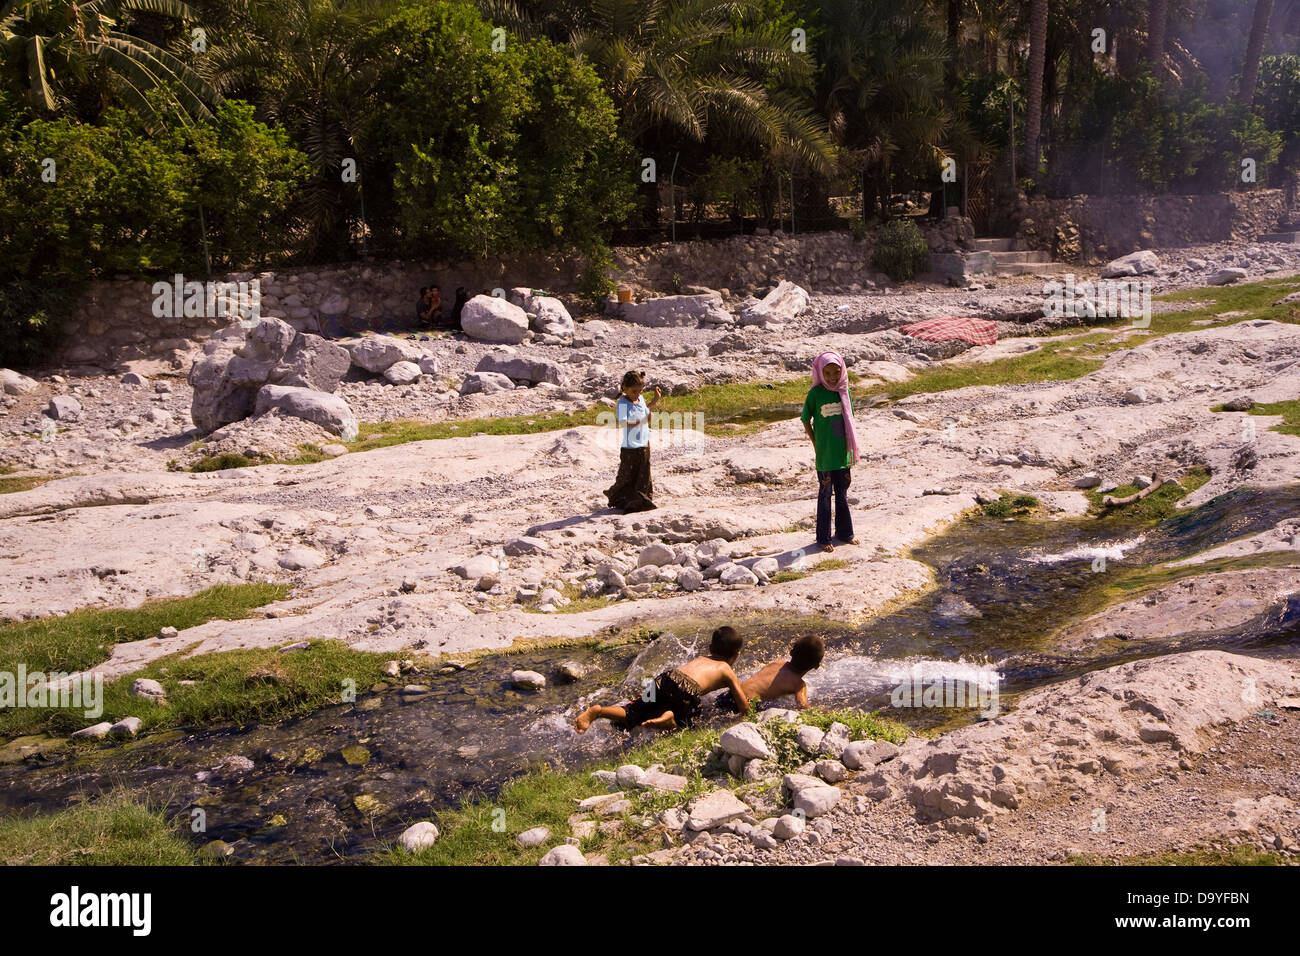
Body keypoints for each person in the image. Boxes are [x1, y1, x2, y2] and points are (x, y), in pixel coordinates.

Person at [574, 627, 749, 733]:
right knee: (690, 725)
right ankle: (670, 720)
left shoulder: (702, 658)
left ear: (710, 648)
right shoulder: (726, 669)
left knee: (632, 710)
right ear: (736, 655)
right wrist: (748, 714)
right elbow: (743, 705)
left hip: (665, 678)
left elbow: (676, 683)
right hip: (688, 689)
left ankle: (599, 711)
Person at [801, 350, 861, 552]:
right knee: (825, 494)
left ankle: (845, 534)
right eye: (827, 373)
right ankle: (823, 537)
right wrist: (815, 442)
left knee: (842, 494)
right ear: (820, 373)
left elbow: (849, 419)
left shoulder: (844, 392)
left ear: (842, 370)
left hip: (842, 454)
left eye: (836, 372)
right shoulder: (815, 394)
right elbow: (804, 419)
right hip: (825, 455)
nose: (832, 377)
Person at [718, 635, 824, 712]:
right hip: (748, 703)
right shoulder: (799, 684)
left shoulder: (777, 663)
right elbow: (802, 705)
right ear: (816, 666)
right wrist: (821, 711)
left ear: (791, 652)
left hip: (731, 693)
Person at [604, 370, 661, 513]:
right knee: (627, 474)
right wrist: (641, 421)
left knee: (643, 471)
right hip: (630, 445)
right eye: (634, 391)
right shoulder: (622, 403)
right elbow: (623, 423)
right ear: (625, 389)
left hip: (643, 441)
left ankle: (642, 499)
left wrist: (655, 400)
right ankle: (616, 494)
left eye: (640, 391)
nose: (637, 394)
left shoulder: (640, 399)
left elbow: (644, 411)